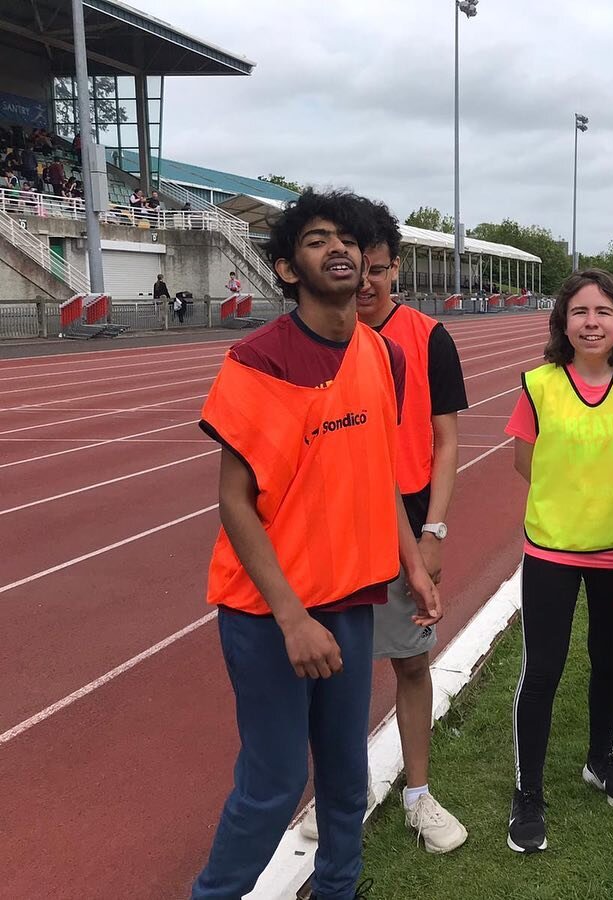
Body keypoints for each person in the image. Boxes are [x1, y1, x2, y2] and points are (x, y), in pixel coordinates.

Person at [190, 190, 440, 900]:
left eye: (349, 240)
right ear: (287, 268)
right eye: (317, 239)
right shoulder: (257, 360)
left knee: (341, 771)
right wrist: (292, 617)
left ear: (368, 259)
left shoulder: (383, 356)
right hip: (270, 612)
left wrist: (411, 564)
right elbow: (234, 502)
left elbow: (380, 475)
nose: (340, 249)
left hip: (352, 602)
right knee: (273, 783)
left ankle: (338, 887)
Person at [304, 198, 471, 853]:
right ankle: (339, 791)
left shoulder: (429, 338)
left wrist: (434, 532)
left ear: (395, 268)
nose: (366, 281)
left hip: (405, 522)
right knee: (332, 672)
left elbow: (447, 441)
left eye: (379, 268)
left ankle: (419, 796)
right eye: (357, 267)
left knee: (410, 663)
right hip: (333, 530)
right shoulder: (315, 340)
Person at [503, 268, 613, 853]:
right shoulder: (540, 384)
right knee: (542, 669)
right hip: (551, 551)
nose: (591, 323)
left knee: (609, 659)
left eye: (603, 313)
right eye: (579, 312)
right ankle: (529, 792)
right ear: (562, 322)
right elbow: (527, 462)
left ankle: (601, 759)